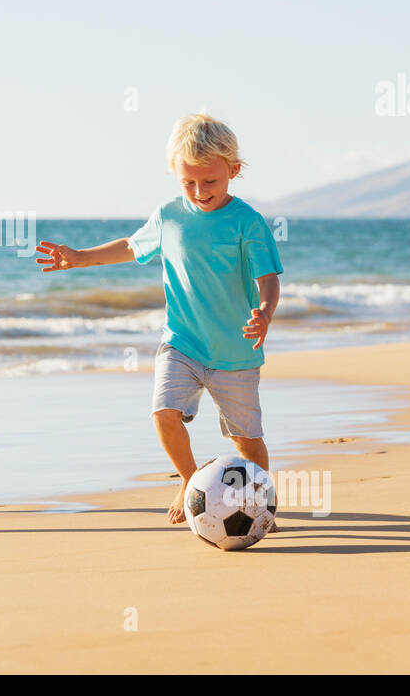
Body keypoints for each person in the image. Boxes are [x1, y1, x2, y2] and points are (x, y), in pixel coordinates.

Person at [35, 114, 283, 527]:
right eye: (189, 182)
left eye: (210, 182)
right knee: (163, 414)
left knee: (248, 442)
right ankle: (192, 484)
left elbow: (268, 278)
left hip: (236, 351)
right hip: (182, 342)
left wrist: (265, 313)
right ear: (175, 174)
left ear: (233, 172)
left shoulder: (247, 222)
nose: (200, 192)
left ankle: (259, 507)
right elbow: (132, 248)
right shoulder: (169, 215)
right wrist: (80, 258)